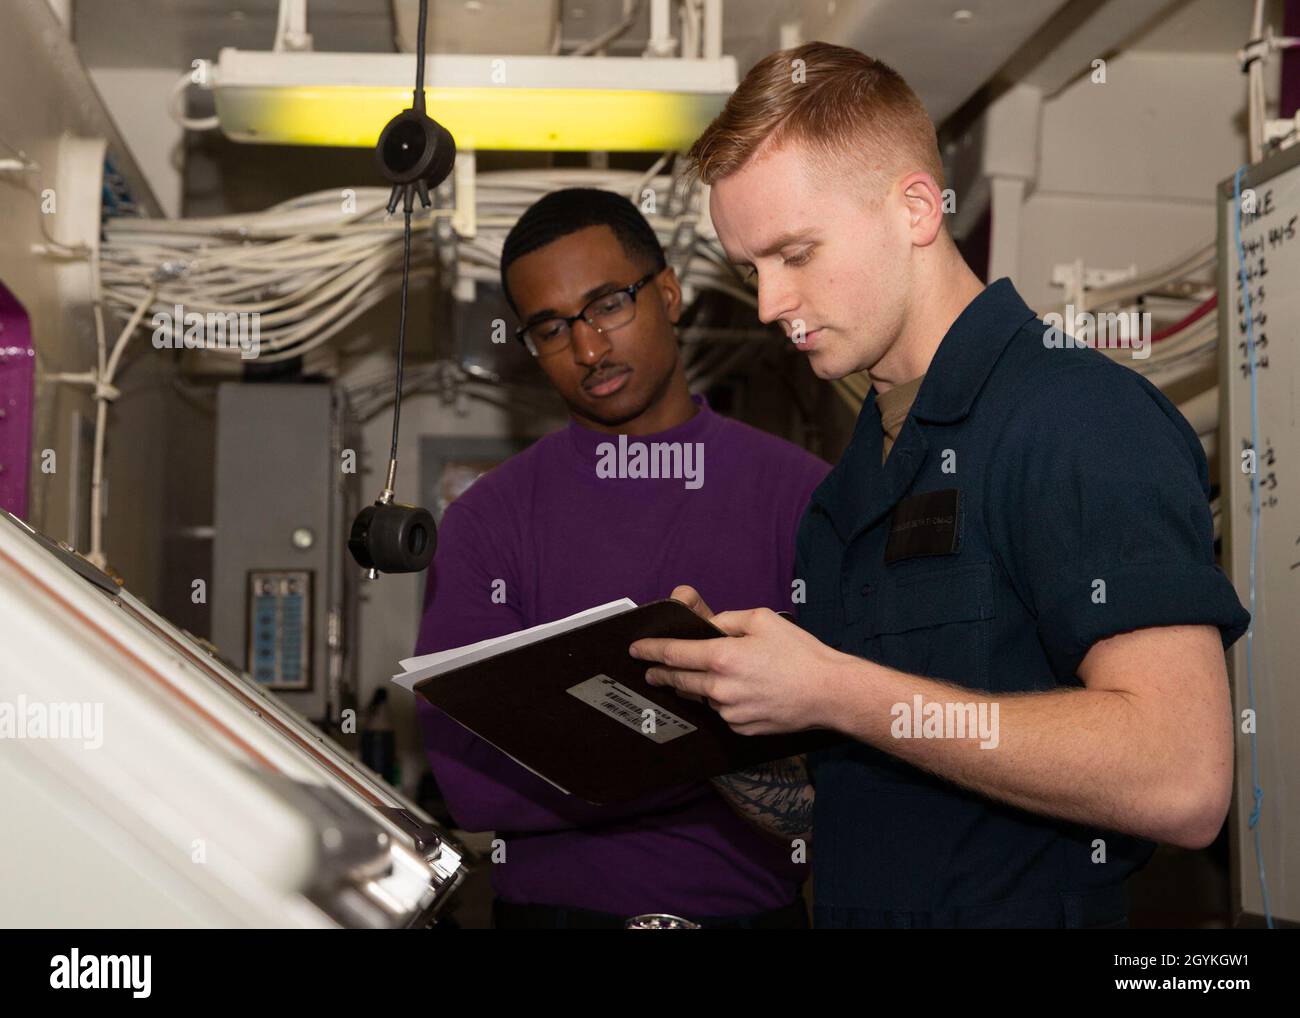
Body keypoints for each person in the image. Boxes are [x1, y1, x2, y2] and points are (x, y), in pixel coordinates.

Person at [629, 42, 1251, 929]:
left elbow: (1181, 778)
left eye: (795, 254)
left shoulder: (1076, 418)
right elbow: (856, 799)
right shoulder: (849, 487)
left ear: (917, 208)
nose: (768, 305)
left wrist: (833, 689)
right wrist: (722, 710)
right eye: (749, 270)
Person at [413, 187, 830, 929]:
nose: (589, 349)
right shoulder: (485, 523)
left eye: (609, 305)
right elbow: (472, 787)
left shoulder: (802, 496)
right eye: (550, 327)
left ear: (668, 292)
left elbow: (843, 760)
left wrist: (589, 747)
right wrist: (728, 741)